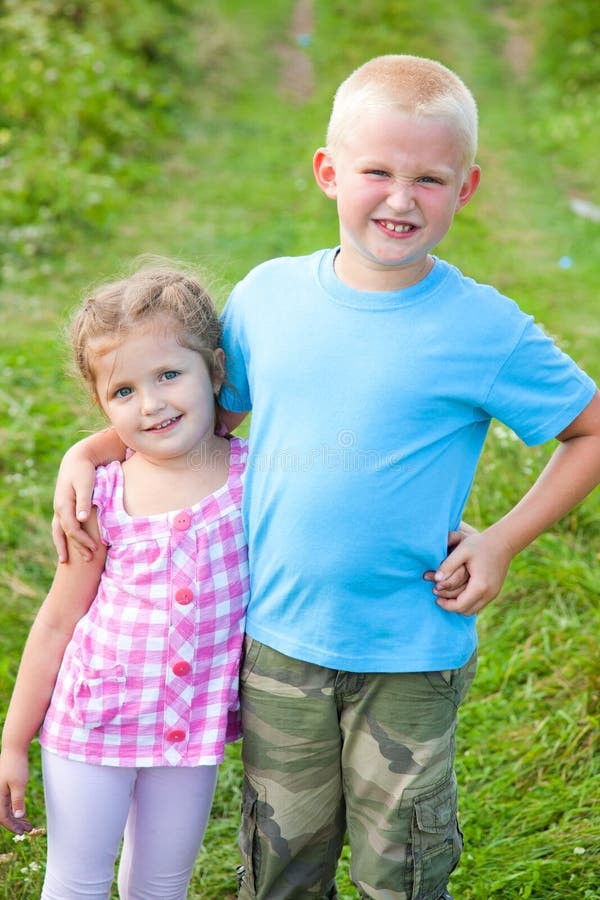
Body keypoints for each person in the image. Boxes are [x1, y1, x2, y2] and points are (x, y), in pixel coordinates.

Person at [51, 55, 600, 900]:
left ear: (468, 188)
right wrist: (89, 452)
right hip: (277, 645)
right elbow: (197, 422)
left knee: (403, 869)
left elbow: (588, 429)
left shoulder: (483, 327)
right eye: (377, 171)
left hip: (410, 653)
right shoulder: (269, 301)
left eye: (430, 178)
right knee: (282, 864)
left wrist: (501, 541)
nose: (400, 198)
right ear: (328, 171)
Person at [0, 264, 250, 900]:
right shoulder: (100, 495)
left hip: (187, 732)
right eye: (124, 391)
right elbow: (58, 619)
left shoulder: (257, 479)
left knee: (161, 884)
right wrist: (13, 739)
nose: (153, 404)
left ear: (215, 370)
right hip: (90, 725)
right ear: (102, 407)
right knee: (77, 883)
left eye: (170, 374)